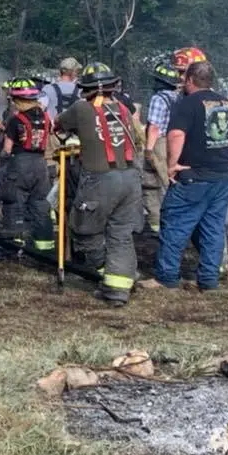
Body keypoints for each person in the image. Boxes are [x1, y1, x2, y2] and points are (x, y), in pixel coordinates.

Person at [155, 61, 228, 291]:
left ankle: (167, 277)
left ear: (190, 80)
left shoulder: (187, 104)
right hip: (222, 178)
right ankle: (209, 279)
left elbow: (177, 134)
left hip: (192, 177)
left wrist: (172, 165)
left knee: (175, 225)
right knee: (213, 228)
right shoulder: (227, 103)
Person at [54, 63, 145, 307]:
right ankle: (118, 287)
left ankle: (109, 273)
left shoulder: (81, 108)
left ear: (86, 88)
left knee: (84, 229)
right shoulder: (124, 109)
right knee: (121, 234)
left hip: (100, 180)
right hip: (130, 179)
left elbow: (58, 125)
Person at [0, 81, 54, 251]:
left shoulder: (15, 120)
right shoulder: (46, 117)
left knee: (14, 202)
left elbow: (7, 149)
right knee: (40, 203)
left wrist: (1, 160)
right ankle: (45, 244)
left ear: (18, 100)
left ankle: (16, 242)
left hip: (21, 164)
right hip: (41, 166)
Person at [141, 61, 182, 233]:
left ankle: (158, 222)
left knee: (153, 182)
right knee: (171, 181)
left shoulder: (158, 99)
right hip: (177, 142)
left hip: (160, 143)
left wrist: (149, 149)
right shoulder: (179, 97)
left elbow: (155, 127)